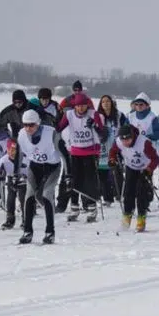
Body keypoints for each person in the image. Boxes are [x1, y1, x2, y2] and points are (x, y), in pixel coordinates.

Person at [57, 92, 106, 222]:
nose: (81, 109)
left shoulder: (94, 114)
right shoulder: (69, 114)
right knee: (74, 181)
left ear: (87, 106)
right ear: (74, 107)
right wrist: (56, 117)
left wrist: (94, 126)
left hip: (91, 152)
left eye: (83, 106)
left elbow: (103, 135)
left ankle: (91, 208)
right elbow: (59, 127)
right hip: (75, 152)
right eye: (78, 106)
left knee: (90, 181)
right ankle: (74, 208)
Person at [16, 110, 62, 245]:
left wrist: (69, 174)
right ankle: (27, 231)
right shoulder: (22, 135)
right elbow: (18, 155)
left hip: (52, 167)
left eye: (31, 125)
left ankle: (50, 232)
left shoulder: (51, 133)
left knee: (47, 194)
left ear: (38, 124)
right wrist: (15, 173)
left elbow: (64, 154)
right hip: (35, 167)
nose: (28, 128)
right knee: (29, 196)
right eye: (25, 125)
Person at [109, 125, 159, 232]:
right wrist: (112, 160)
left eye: (128, 139)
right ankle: (127, 215)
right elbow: (113, 151)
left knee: (142, 193)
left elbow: (155, 158)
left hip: (144, 169)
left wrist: (149, 169)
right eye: (123, 140)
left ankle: (141, 217)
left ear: (132, 136)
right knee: (128, 192)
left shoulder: (144, 143)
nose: (125, 142)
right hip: (130, 167)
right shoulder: (119, 141)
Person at [96, 95, 128, 205]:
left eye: (108, 101)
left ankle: (119, 195)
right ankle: (107, 198)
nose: (106, 103)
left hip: (116, 147)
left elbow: (126, 127)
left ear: (111, 103)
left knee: (117, 172)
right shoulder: (97, 116)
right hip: (102, 148)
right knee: (103, 174)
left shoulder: (119, 115)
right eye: (103, 101)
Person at [0, 139, 28, 230]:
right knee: (10, 199)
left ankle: (26, 220)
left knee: (23, 198)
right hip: (11, 178)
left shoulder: (25, 158)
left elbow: (32, 171)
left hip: (23, 179)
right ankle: (10, 220)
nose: (12, 152)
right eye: (10, 150)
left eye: (14, 150)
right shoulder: (4, 159)